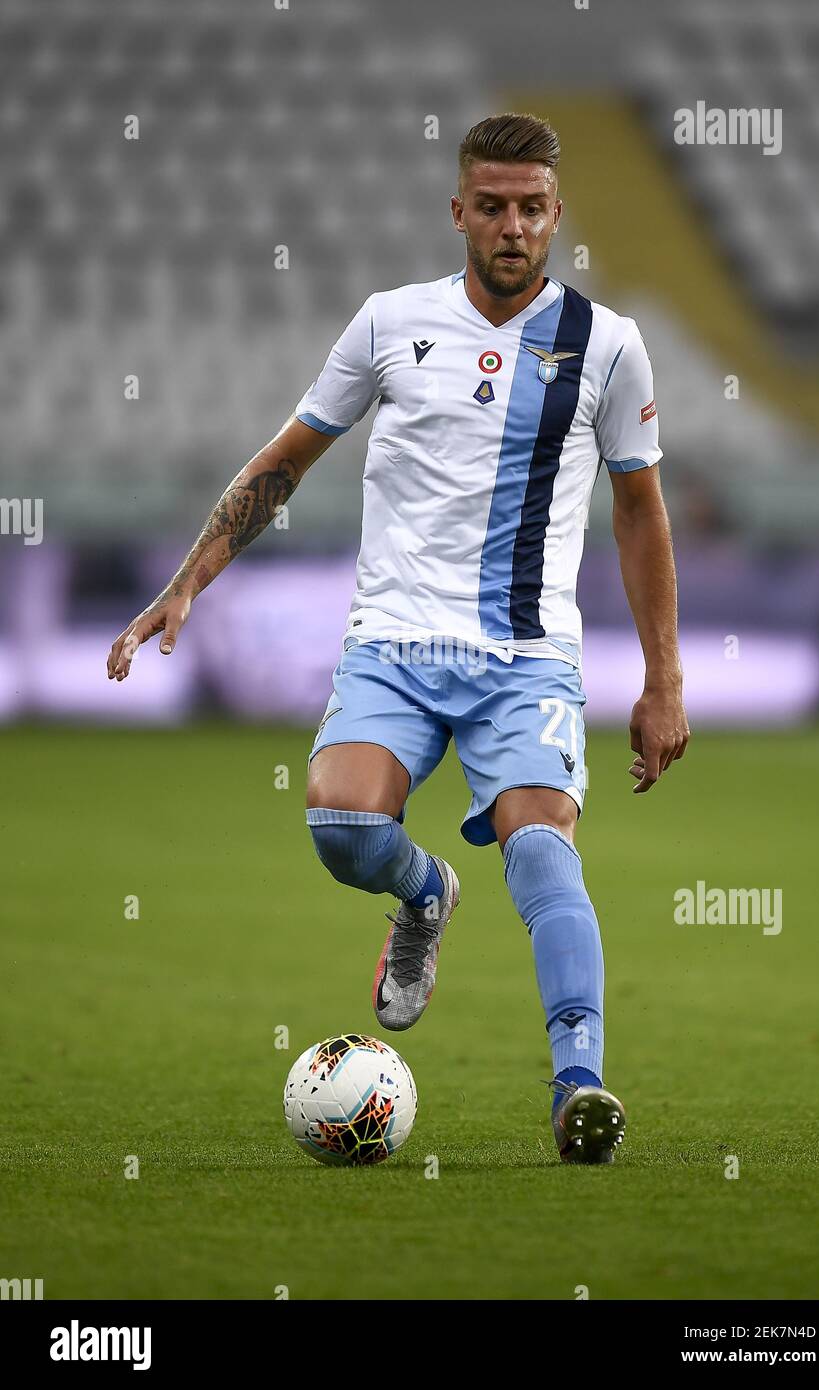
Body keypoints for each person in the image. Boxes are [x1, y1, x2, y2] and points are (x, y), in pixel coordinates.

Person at [108, 112, 690, 1164]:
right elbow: (286, 459)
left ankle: (579, 1086)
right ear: (458, 210)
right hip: (395, 643)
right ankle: (424, 893)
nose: (512, 225)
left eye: (531, 207)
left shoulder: (607, 344)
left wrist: (662, 679)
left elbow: (640, 509)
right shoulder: (388, 324)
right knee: (338, 826)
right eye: (492, 206)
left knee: (543, 849)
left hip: (527, 656)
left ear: (555, 214)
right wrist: (186, 580)